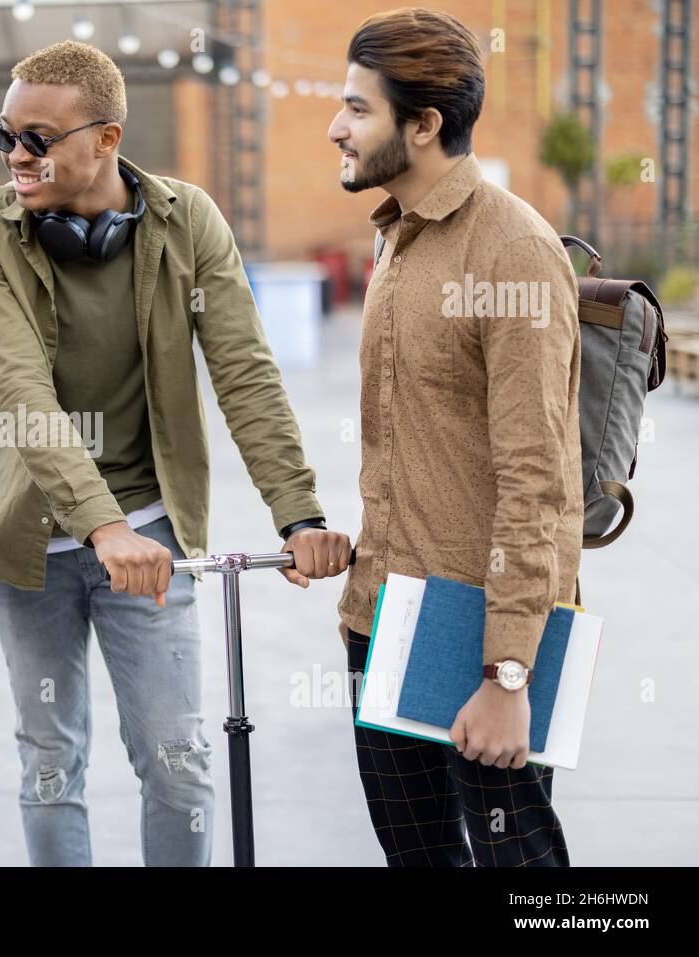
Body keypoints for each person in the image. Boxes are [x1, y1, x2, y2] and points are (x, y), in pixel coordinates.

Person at [0, 40, 351, 866]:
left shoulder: (186, 219)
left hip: (152, 537)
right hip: (30, 538)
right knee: (51, 760)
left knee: (178, 763)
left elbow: (245, 372)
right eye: (6, 137)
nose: (16, 157)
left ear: (107, 138)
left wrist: (299, 510)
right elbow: (22, 392)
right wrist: (100, 526)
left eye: (39, 138)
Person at [328, 8, 582, 866]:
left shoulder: (512, 250)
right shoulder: (396, 237)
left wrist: (508, 674)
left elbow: (536, 477)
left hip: (479, 632)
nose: (338, 126)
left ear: (424, 124)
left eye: (358, 108)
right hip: (382, 615)